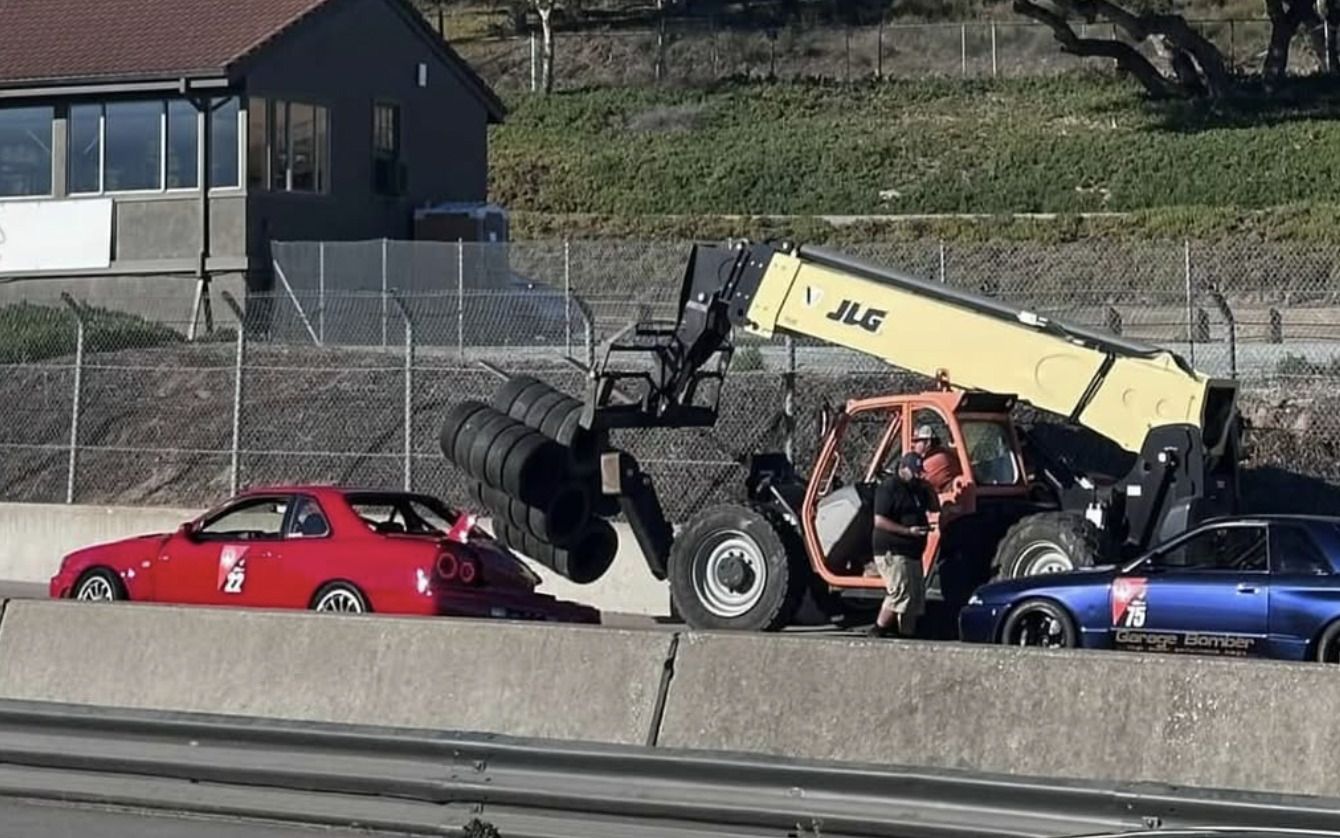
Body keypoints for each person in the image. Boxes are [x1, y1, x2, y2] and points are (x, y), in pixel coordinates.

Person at [868, 451, 939, 638]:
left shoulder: (917, 488)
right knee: (901, 592)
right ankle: (878, 628)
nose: (917, 475)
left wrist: (929, 489)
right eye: (914, 471)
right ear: (903, 468)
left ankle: (907, 633)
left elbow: (934, 508)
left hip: (913, 551)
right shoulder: (889, 487)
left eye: (919, 471)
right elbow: (879, 521)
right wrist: (908, 531)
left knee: (915, 597)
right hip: (892, 549)